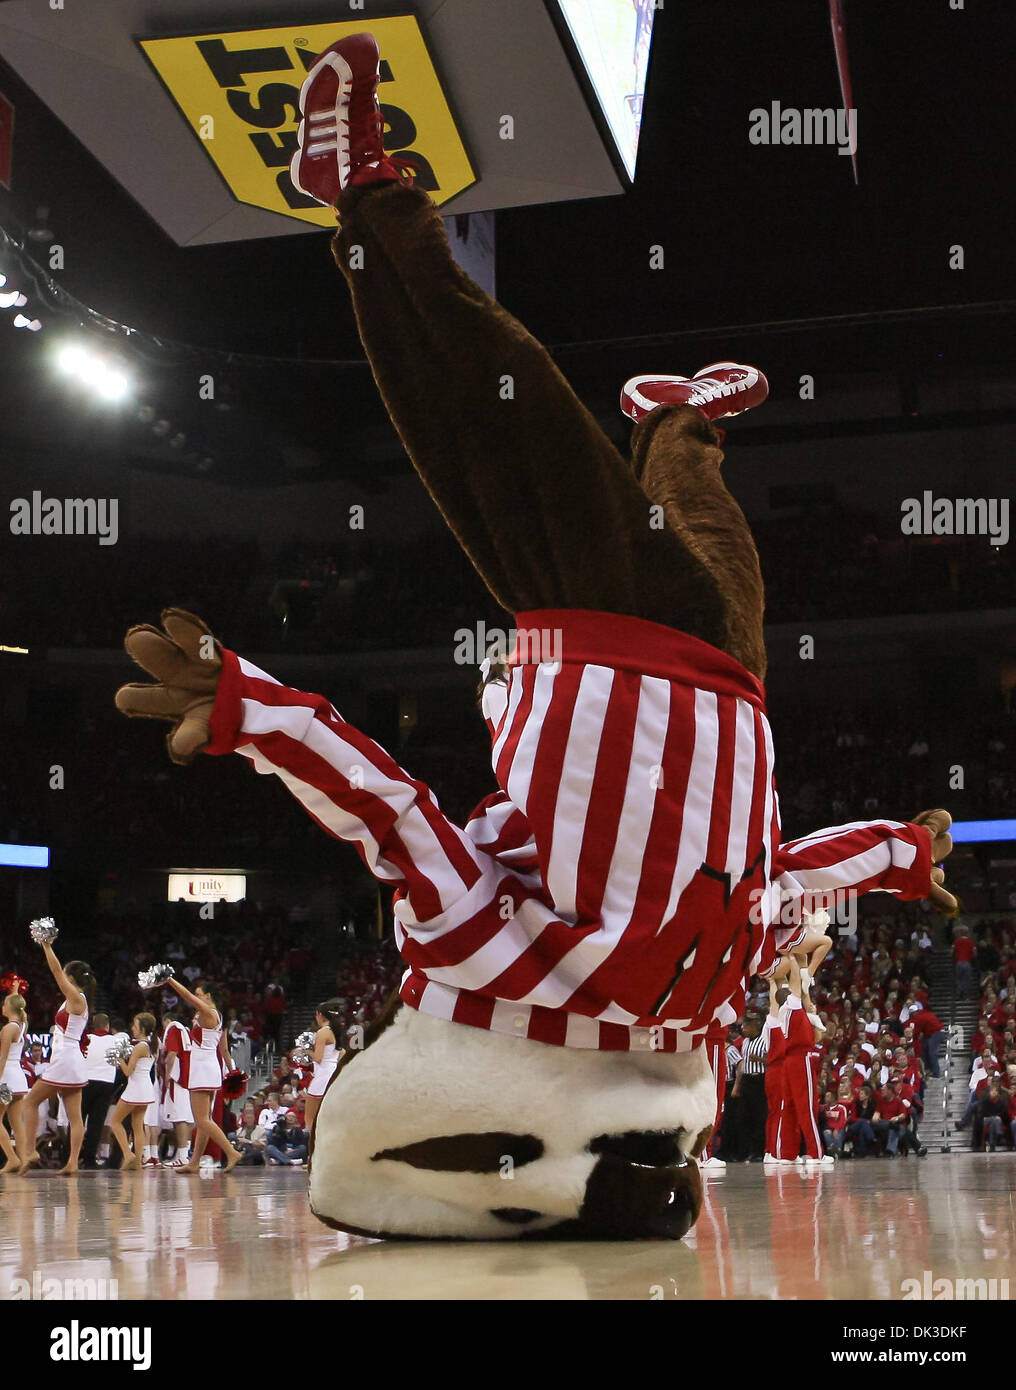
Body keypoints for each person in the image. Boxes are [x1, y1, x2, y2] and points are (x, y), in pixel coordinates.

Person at [142, 975, 241, 1173]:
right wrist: (233, 1072)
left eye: (199, 994)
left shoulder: (208, 1012)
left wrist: (169, 981)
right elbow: (224, 1050)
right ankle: (194, 1162)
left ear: (208, 996)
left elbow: (185, 995)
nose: (196, 997)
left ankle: (232, 1152)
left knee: (202, 1119)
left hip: (202, 1068)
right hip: (210, 1067)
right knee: (204, 1119)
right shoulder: (219, 1016)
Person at [20, 941, 95, 1176]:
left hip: (65, 1059)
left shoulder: (77, 998)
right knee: (75, 1116)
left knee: (30, 1102)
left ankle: (30, 1150)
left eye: (66, 973)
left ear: (71, 977)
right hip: (70, 1060)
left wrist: (46, 945)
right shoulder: (75, 999)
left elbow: (54, 972)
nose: (62, 974)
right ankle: (72, 1162)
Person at [109, 1013, 158, 1172]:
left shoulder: (140, 1046)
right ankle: (137, 1162)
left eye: (135, 1026)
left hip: (135, 1088)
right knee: (137, 1126)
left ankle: (128, 1154)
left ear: (142, 1028)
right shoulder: (151, 1044)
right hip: (145, 1088)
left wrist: (120, 1059)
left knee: (115, 1121)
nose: (132, 1028)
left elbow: (128, 1071)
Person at [80, 1013, 117, 1169]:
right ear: (107, 1026)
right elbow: (123, 1062)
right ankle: (89, 1160)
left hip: (86, 1082)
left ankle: (70, 1155)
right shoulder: (116, 1040)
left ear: (93, 1025)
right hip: (106, 1083)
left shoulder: (86, 1038)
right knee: (96, 1124)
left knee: (78, 1120)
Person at [303, 1000, 343, 1139]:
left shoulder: (322, 1033)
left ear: (319, 1014)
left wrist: (306, 1051)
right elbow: (341, 1053)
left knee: (310, 1120)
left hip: (322, 1078)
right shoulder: (335, 1032)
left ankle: (315, 1152)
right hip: (334, 1076)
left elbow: (318, 1058)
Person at [0, 992, 30, 1172]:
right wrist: (16, 991)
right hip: (18, 1078)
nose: (2, 1006)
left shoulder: (8, 1029)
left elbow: (3, 1057)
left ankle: (12, 1158)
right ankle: (24, 1158)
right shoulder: (22, 1024)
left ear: (10, 1007)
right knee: (17, 1123)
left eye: (4, 1003)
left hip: (6, 1079)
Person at [978, 1080, 1010, 1152]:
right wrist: (984, 1117)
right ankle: (999, 1134)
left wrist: (999, 1117)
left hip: (996, 1120)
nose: (994, 1092)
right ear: (989, 1092)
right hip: (985, 1120)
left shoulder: (1001, 1101)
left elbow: (1003, 1112)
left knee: (993, 1122)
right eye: (992, 1091)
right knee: (994, 1119)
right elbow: (981, 1111)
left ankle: (992, 1145)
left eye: (995, 1091)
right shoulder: (985, 1101)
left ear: (997, 1092)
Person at [953, 926, 976, 1000]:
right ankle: (966, 996)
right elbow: (975, 953)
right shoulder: (971, 942)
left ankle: (958, 995)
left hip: (959, 962)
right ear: (967, 933)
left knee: (959, 979)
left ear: (961, 933)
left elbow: (951, 952)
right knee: (967, 979)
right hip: (967, 963)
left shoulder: (956, 941)